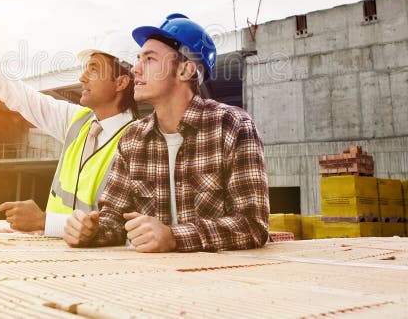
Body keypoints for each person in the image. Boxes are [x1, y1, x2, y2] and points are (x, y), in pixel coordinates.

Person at [62, 14, 269, 252]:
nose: (136, 70)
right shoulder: (132, 140)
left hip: (221, 281)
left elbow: (253, 225)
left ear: (184, 70)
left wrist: (174, 237)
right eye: (138, 59)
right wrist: (91, 230)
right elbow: (114, 220)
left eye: (149, 60)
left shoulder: (233, 126)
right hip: (153, 282)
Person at [0, 27, 138, 236]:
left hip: (100, 263)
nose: (82, 78)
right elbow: (19, 95)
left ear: (120, 82)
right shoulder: (77, 121)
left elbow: (121, 224)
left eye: (93, 69)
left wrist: (44, 221)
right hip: (54, 254)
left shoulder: (137, 142)